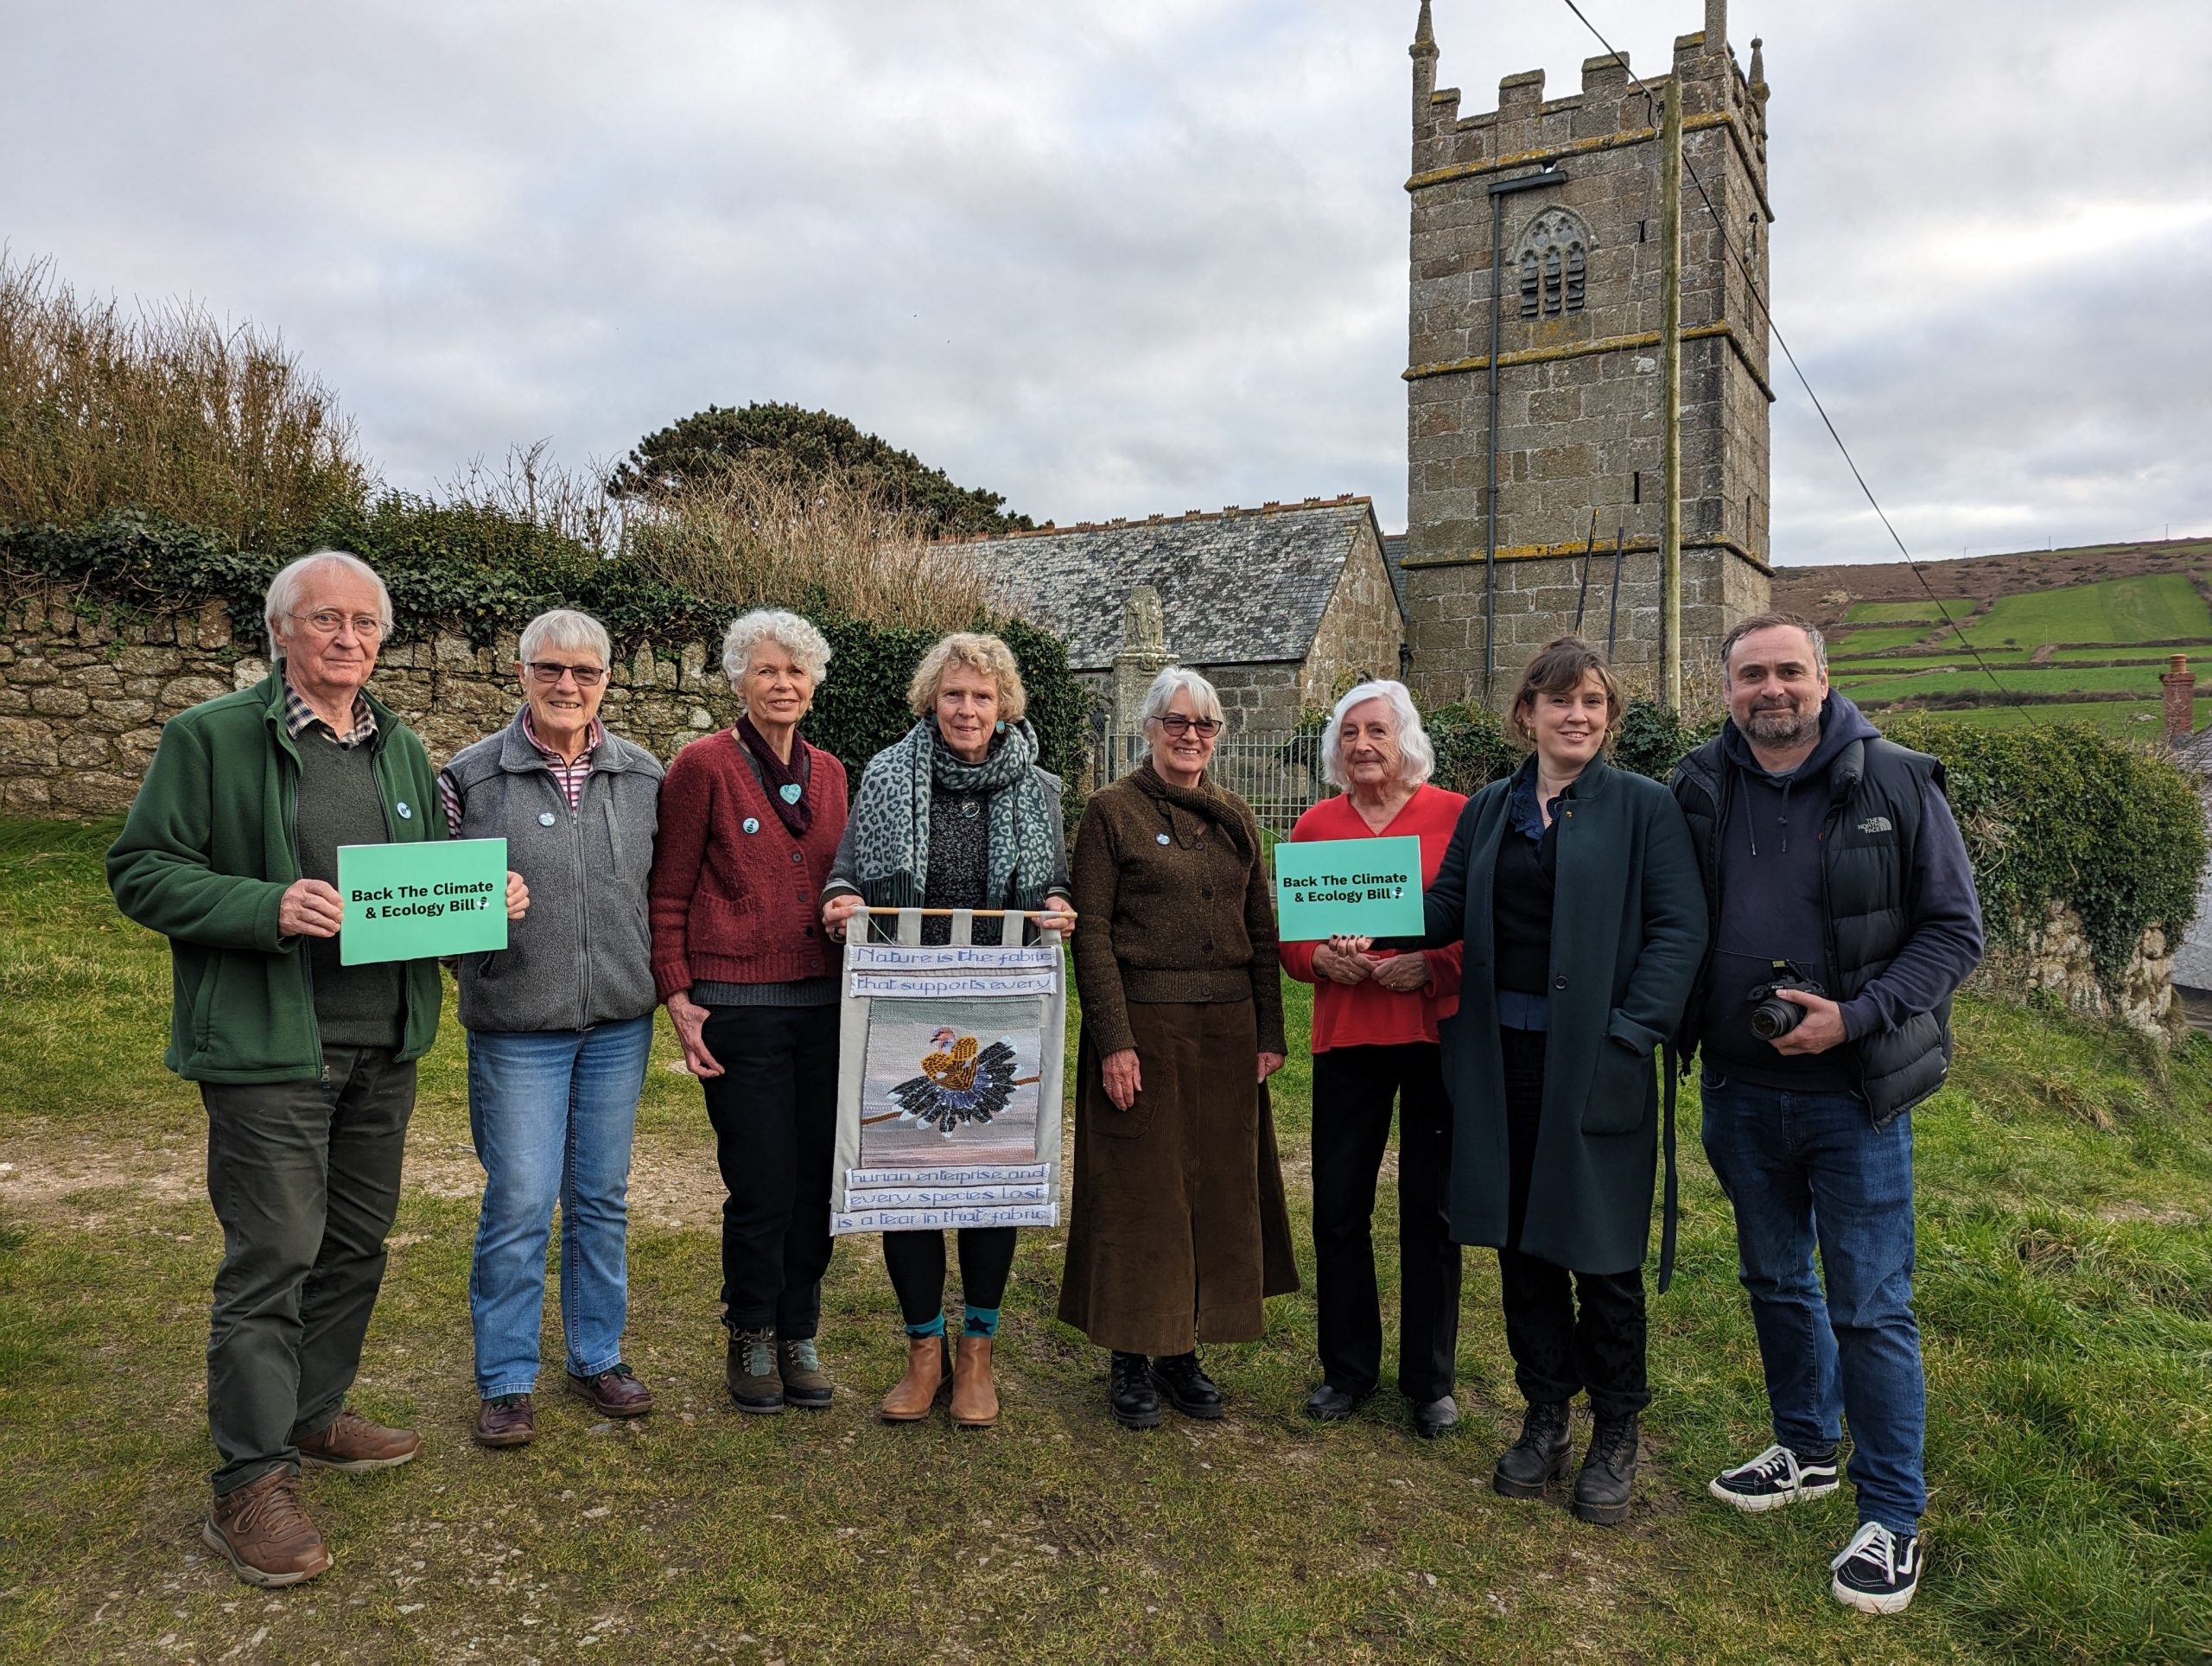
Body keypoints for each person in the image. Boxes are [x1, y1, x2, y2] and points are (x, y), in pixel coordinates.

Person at [106, 550, 527, 1587]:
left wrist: (485, 899)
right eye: (327, 620)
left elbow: (418, 885)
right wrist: (264, 905)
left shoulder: (401, 749)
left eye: (366, 623)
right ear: (282, 631)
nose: (349, 639)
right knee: (274, 1253)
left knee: (354, 1243)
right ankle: (250, 1480)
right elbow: (142, 868)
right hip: (267, 1046)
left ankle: (311, 1411)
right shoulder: (206, 738)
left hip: (382, 1040)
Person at [1673, 614, 1983, 1614]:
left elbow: (1952, 931)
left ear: (1821, 677)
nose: (1771, 689)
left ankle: (1891, 1512)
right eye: (1751, 673)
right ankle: (1806, 1447)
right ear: (1726, 687)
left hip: (1854, 1097)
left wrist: (1855, 1015)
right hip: (1735, 1089)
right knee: (1771, 1277)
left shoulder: (1894, 778)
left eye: (1787, 671)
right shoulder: (1695, 782)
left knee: (1868, 1303)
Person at [1411, 637, 1706, 1525]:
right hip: (1500, 1061)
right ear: (1526, 713)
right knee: (1521, 1247)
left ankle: (1616, 1429)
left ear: (1607, 717)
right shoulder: (1490, 809)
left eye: (1592, 702)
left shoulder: (1645, 809)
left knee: (1603, 1255)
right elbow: (1446, 906)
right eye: (1559, 701)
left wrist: (1630, 1032)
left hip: (1598, 1062)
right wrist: (1361, 925)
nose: (1577, 715)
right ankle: (1546, 1415)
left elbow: (1677, 930)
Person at [821, 633, 1077, 1428]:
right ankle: (923, 1351)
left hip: (1001, 1012)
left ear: (1005, 707)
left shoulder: (1039, 789)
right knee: (908, 1176)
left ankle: (978, 1353)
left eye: (983, 696)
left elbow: (1057, 881)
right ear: (931, 698)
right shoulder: (887, 776)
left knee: (989, 1176)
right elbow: (848, 869)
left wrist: (1061, 905)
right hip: (905, 1008)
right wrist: (838, 902)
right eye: (955, 694)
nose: (968, 709)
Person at [438, 608, 665, 1447]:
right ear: (521, 671)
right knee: (523, 1198)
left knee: (601, 1198)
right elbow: (428, 914)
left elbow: (663, 894)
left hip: (616, 1022)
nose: (567, 685)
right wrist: (477, 928)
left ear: (607, 679)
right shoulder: (469, 776)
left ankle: (597, 1354)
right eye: (550, 669)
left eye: (585, 671)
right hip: (515, 1025)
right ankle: (504, 1377)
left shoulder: (643, 775)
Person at [1058, 667, 1299, 1429]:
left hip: (1226, 1030)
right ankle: (1133, 1354)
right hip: (1145, 1027)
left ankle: (1184, 1347)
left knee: (1216, 1189)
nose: (1191, 735)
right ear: (1149, 727)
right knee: (1142, 1192)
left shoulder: (1236, 814)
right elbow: (1091, 933)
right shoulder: (1110, 812)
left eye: (1205, 725)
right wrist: (1113, 1040)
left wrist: (1269, 1030)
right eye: (1176, 721)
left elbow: (1260, 930)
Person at [648, 610, 849, 1416]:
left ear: (813, 684)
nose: (783, 684)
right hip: (739, 1007)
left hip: (831, 1006)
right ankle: (752, 1330)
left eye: (796, 672)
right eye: (767, 671)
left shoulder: (833, 772)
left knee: (818, 1184)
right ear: (738, 680)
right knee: (762, 1183)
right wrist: (676, 993)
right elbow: (667, 890)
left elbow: (851, 875)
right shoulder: (702, 766)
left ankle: (800, 1328)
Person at [1278, 680, 1467, 1440]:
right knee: (1339, 1209)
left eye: (1376, 732)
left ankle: (1430, 1381)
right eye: (1349, 733)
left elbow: (1481, 923)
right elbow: (1292, 939)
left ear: (1406, 738)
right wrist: (1322, 958)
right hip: (1349, 1035)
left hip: (1430, 1037)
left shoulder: (1457, 816)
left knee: (1434, 1211)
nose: (1362, 745)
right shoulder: (1316, 825)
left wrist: (1436, 967)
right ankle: (1347, 1369)